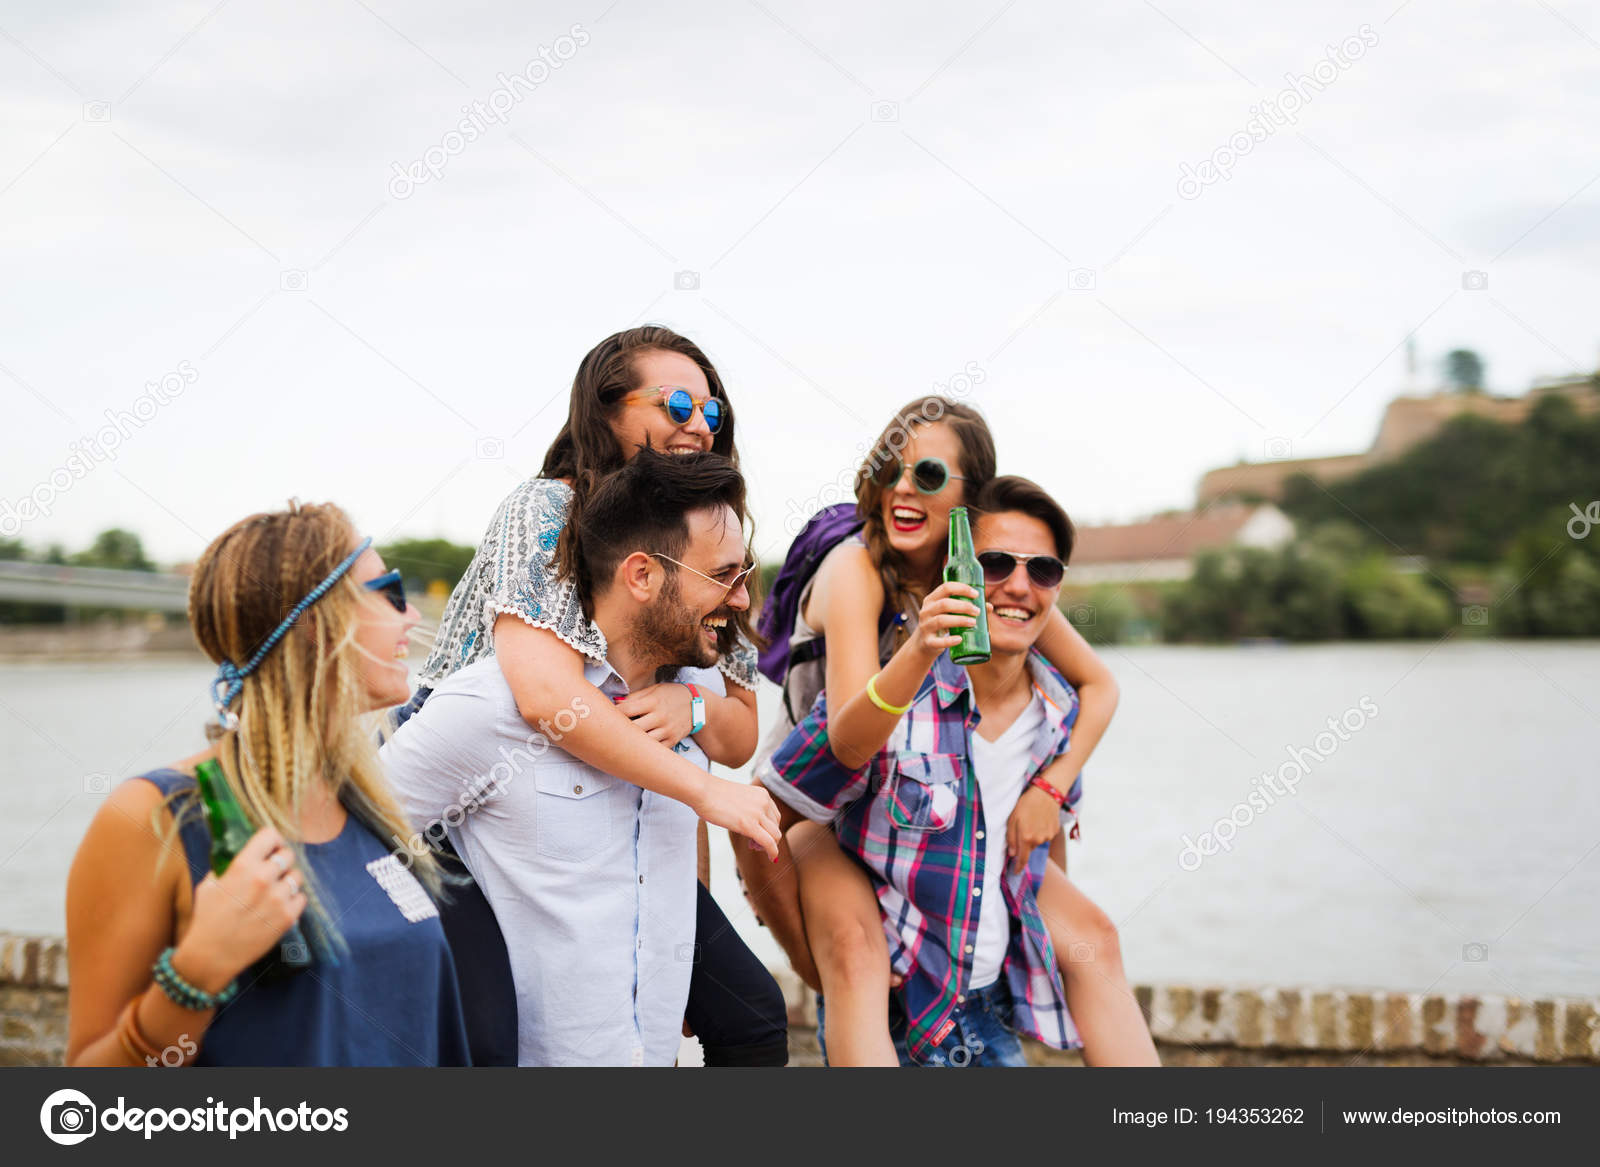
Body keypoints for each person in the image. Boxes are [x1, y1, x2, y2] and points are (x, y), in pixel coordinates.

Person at [403, 325, 787, 1065]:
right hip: (482, 790)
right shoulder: (548, 509)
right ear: (603, 408)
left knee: (748, 1015)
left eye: (713, 410)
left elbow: (737, 735)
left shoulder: (710, 536)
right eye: (678, 402)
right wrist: (707, 794)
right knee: (498, 1034)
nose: (700, 422)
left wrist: (693, 707)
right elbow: (548, 697)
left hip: (616, 788)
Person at [739, 399, 1157, 1065]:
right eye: (890, 470)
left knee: (1094, 936)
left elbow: (1097, 685)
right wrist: (920, 648)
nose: (904, 487)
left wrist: (1051, 786)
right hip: (816, 800)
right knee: (853, 956)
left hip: (916, 798)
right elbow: (847, 741)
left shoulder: (994, 576)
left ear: (971, 500)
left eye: (928, 474)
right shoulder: (856, 566)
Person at [64, 502, 470, 1066]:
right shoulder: (157, 816)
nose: (409, 617)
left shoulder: (372, 810)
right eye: (389, 590)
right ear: (313, 621)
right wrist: (197, 971)